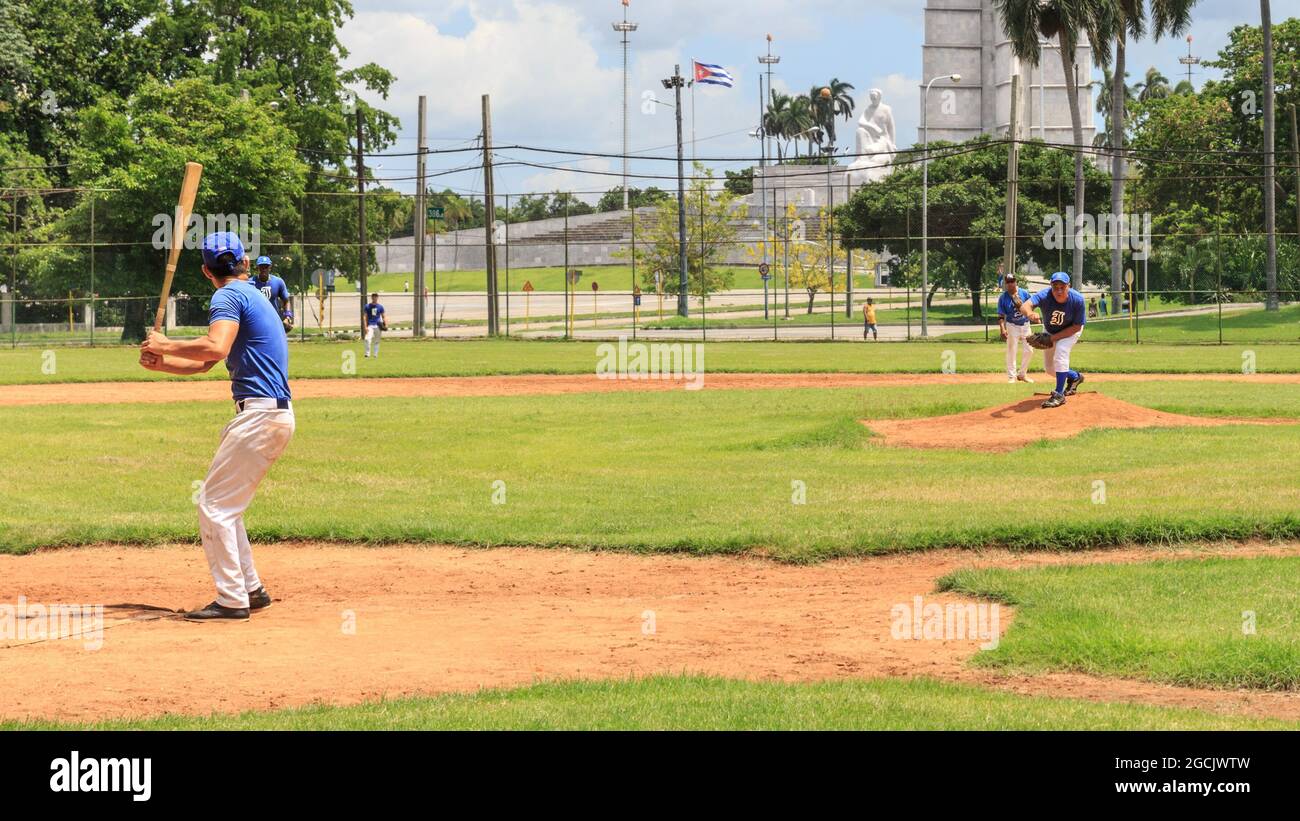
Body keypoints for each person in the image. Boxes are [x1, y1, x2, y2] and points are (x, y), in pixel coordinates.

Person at [139, 232, 294, 621]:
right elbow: (206, 363)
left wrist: (166, 343)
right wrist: (163, 363)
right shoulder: (256, 295)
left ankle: (231, 600)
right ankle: (251, 589)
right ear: (245, 262)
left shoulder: (226, 296)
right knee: (226, 506)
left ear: (206, 270)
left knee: (213, 506)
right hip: (270, 415)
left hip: (260, 416)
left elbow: (215, 348)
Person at [1019, 271, 1086, 408]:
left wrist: (1052, 338)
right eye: (1055, 286)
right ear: (1051, 286)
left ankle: (1059, 394)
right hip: (1050, 330)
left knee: (1061, 350)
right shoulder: (1045, 295)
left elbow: (1077, 327)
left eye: (1062, 286)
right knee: (1050, 369)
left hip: (1071, 331)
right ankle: (1075, 377)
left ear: (1069, 286)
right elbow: (1025, 306)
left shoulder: (1077, 299)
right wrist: (1030, 313)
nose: (1059, 290)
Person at [996, 273, 1034, 384]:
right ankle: (1011, 376)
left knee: (1030, 350)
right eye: (1008, 282)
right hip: (1012, 326)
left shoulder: (1024, 293)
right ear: (1005, 284)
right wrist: (1003, 329)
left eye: (1012, 281)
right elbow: (1000, 316)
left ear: (1016, 281)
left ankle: (1022, 374)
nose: (1010, 283)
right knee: (1012, 351)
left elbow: (1033, 304)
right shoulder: (1003, 298)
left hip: (1026, 325)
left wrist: (1024, 307)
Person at [253, 255, 294, 334]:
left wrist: (287, 316)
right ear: (258, 267)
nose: (264, 269)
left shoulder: (278, 282)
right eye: (261, 267)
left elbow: (286, 300)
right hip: (255, 321)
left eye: (266, 267)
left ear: (270, 267)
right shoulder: (251, 282)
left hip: (274, 320)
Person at [364, 292, 386, 358]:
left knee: (377, 341)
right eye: (373, 296)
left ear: (377, 297)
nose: (374, 298)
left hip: (378, 326)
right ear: (371, 297)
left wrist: (385, 324)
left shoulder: (380, 307)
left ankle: (375, 354)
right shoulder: (367, 306)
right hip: (370, 325)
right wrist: (365, 326)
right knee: (367, 339)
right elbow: (365, 317)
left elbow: (383, 316)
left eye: (376, 296)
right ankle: (367, 354)